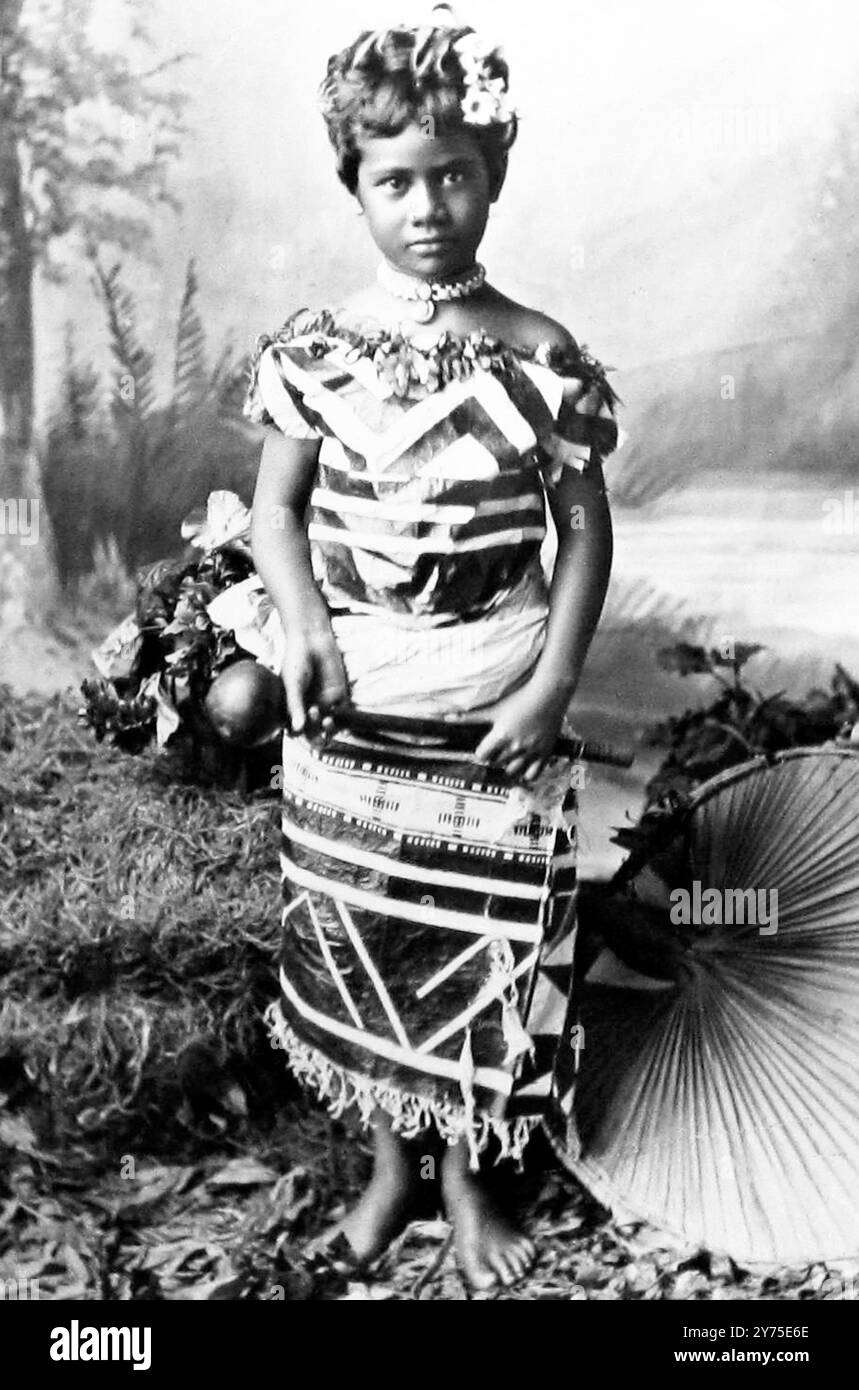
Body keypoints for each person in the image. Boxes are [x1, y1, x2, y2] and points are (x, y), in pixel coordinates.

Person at [239, 10, 621, 1291]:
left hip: (493, 696)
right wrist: (304, 630)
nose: (426, 207)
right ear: (352, 184)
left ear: (494, 172)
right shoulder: (318, 354)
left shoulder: (537, 354)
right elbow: (278, 512)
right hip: (357, 698)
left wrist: (551, 683)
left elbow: (580, 537)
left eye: (453, 174)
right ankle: (392, 1166)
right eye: (393, 180)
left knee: (484, 941)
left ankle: (468, 1180)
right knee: (365, 934)